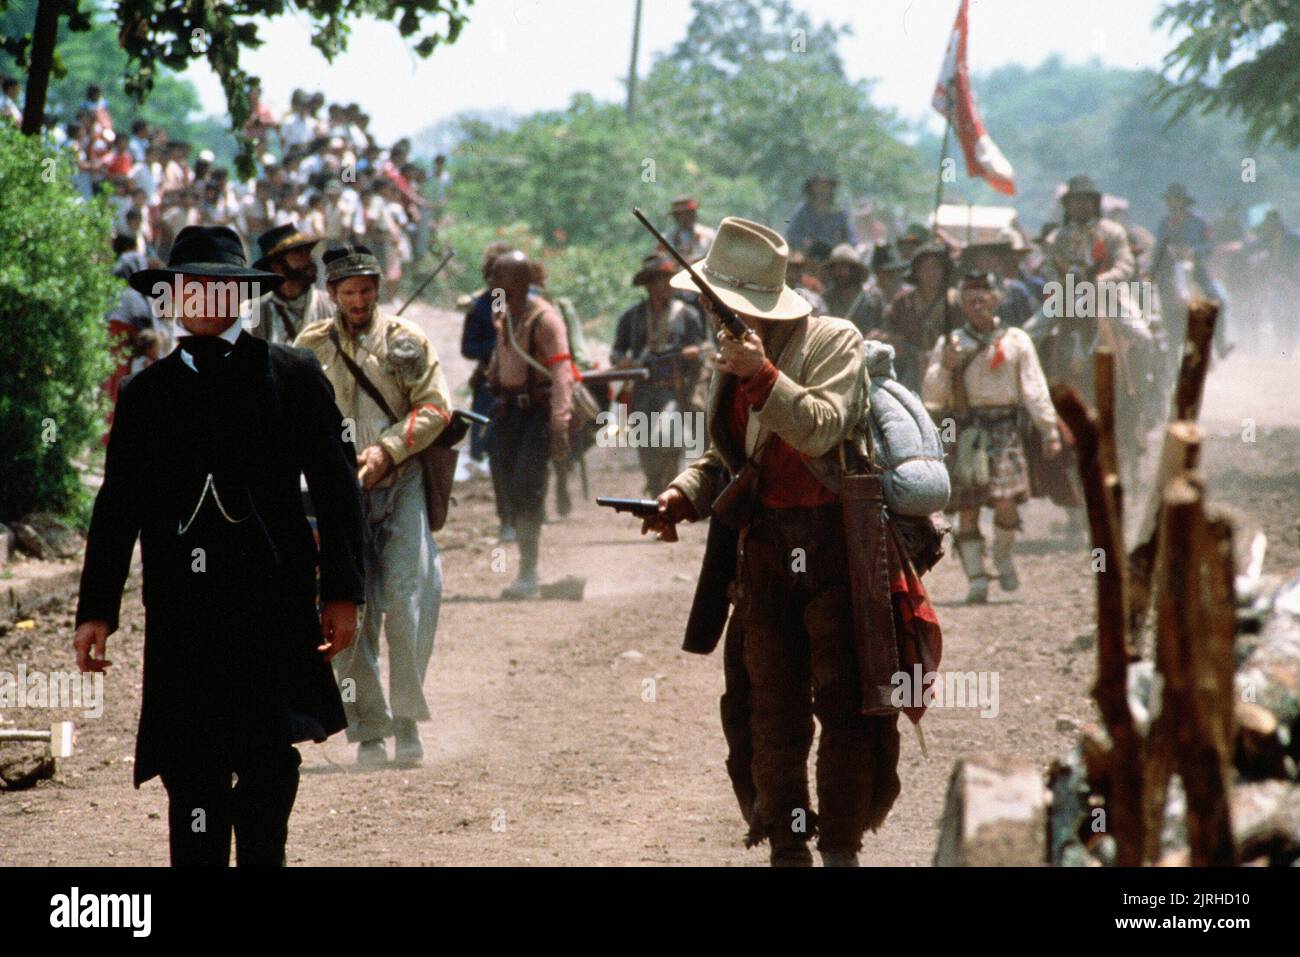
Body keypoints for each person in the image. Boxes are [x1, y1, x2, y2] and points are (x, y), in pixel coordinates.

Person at [73, 225, 365, 866]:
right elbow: (117, 504)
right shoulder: (147, 394)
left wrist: (343, 592)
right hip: (182, 612)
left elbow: (339, 491)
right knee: (190, 764)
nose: (204, 299)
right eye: (190, 288)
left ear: (242, 296)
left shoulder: (292, 374)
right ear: (173, 299)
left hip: (273, 603)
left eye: (219, 287)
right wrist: (96, 609)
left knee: (267, 759)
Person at [639, 216, 902, 867]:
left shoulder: (833, 342)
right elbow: (727, 458)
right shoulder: (727, 358)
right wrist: (681, 494)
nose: (705, 308)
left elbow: (820, 427)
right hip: (764, 551)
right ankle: (788, 844)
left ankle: (841, 846)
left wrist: (762, 375)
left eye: (715, 299)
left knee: (847, 707)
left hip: (838, 546)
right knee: (770, 711)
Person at [294, 245, 452, 770]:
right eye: (347, 292)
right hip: (339, 495)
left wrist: (387, 448)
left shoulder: (409, 343)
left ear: (376, 289)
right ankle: (368, 731)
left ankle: (406, 720)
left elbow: (436, 407)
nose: (357, 300)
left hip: (402, 483)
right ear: (333, 295)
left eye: (365, 290)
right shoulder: (309, 347)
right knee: (346, 613)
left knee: (406, 604)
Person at [921, 271, 1062, 604]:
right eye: (970, 295)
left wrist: (1049, 430)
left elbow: (1034, 388)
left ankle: (1002, 555)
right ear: (961, 302)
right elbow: (933, 397)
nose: (978, 301)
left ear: (997, 297)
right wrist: (945, 366)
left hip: (1005, 429)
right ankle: (977, 579)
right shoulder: (951, 343)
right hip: (968, 430)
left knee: (1006, 503)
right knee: (967, 509)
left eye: (984, 293)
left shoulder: (1016, 340)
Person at [485, 251, 574, 599]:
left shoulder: (546, 319)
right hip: (509, 415)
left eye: (499, 277)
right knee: (510, 489)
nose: (493, 283)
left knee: (526, 487)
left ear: (519, 282)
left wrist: (560, 423)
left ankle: (528, 571)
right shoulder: (506, 315)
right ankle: (526, 569)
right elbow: (501, 356)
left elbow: (562, 372)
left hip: (537, 414)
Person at [611, 253, 707, 494]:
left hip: (673, 389)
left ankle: (668, 490)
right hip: (642, 390)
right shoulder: (632, 317)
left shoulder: (687, 314)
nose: (666, 285)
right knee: (647, 448)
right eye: (660, 280)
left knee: (669, 437)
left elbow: (703, 348)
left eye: (668, 279)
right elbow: (617, 351)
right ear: (649, 285)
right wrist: (622, 361)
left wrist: (693, 352)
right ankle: (656, 488)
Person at [877, 243, 959, 394]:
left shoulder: (953, 302)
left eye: (936, 267)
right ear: (917, 272)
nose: (931, 273)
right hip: (908, 368)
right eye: (925, 268)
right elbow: (887, 330)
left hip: (944, 367)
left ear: (943, 271)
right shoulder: (903, 301)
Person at [248, 224, 333, 345]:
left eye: (307, 251)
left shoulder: (330, 305)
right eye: (298, 252)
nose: (308, 258)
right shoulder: (258, 313)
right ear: (276, 266)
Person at [786, 173, 857, 253]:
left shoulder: (840, 212)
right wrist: (803, 242)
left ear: (831, 189)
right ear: (811, 188)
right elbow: (791, 235)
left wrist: (842, 247)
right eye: (818, 186)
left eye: (825, 186)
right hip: (808, 256)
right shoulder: (802, 211)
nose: (822, 190)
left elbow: (851, 238)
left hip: (834, 258)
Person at [820, 243, 874, 334]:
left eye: (845, 267)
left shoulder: (871, 300)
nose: (841, 272)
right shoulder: (825, 300)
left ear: (855, 270)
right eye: (837, 268)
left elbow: (881, 329)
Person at [666, 196, 716, 263]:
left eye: (687, 213)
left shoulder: (709, 235)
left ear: (693, 214)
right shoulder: (667, 238)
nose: (683, 217)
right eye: (678, 214)